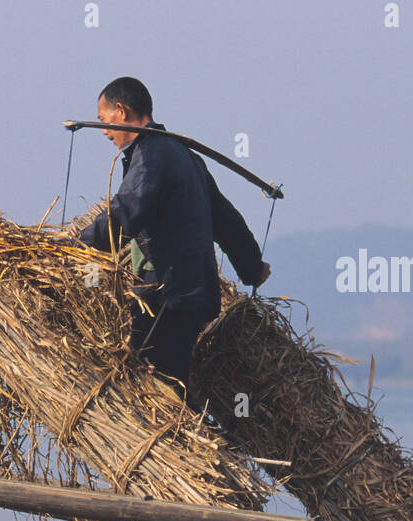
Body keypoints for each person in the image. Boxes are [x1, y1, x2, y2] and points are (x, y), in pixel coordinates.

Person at [75, 76, 271, 393]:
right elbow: (225, 219)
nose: (105, 132)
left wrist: (75, 248)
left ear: (121, 111)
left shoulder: (150, 155)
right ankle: (197, 437)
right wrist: (252, 267)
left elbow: (126, 211)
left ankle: (202, 441)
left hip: (169, 294)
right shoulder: (185, 156)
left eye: (104, 121)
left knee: (153, 387)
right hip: (193, 293)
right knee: (168, 384)